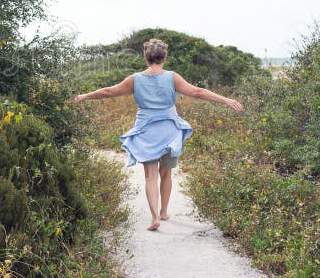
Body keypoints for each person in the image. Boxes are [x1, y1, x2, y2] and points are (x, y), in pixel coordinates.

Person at [73, 38, 243, 231]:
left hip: (147, 132)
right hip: (169, 131)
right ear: (164, 57)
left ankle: (154, 217)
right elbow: (197, 92)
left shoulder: (135, 79)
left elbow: (108, 92)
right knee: (167, 173)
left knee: (150, 176)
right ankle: (163, 211)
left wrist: (85, 96)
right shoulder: (172, 77)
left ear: (145, 57)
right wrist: (226, 100)